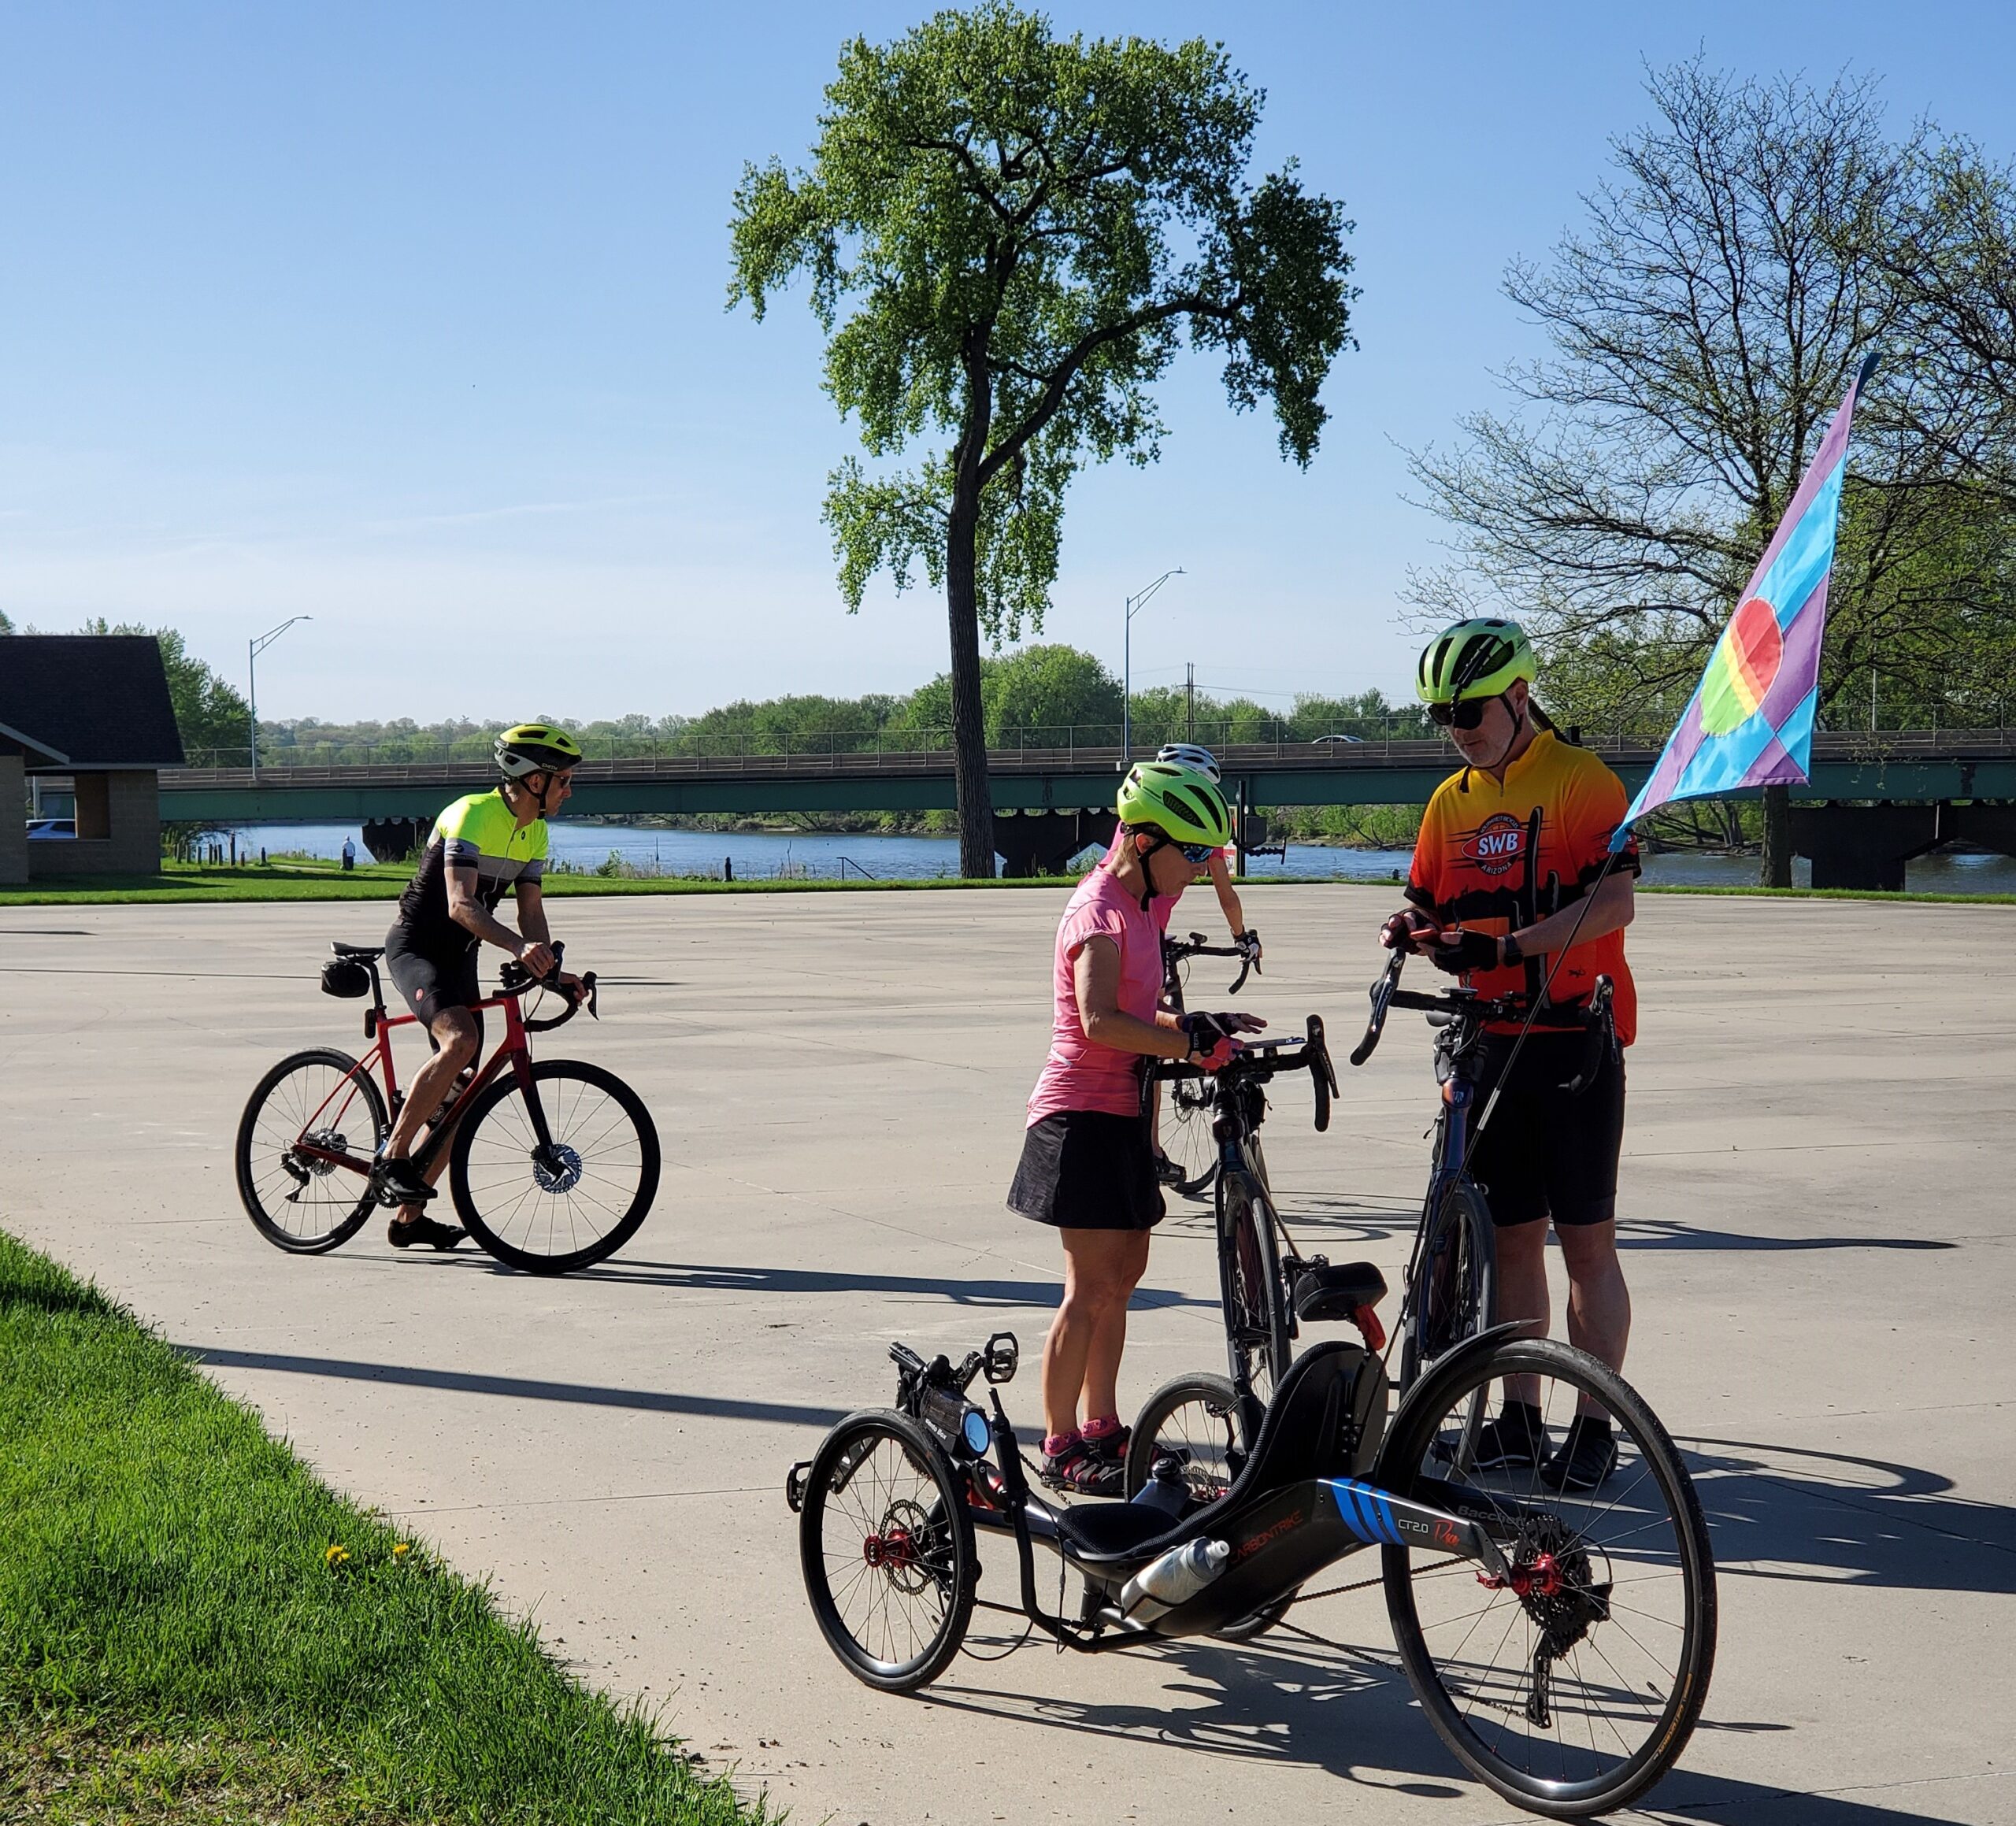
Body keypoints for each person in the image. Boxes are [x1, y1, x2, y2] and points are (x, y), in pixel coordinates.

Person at [1380, 617, 1640, 1491]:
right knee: (1514, 1244)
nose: (1454, 724)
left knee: (1585, 1244)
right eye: (1438, 713)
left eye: (1466, 708)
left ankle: (1596, 1425)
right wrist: (1411, 931)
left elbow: (1612, 907)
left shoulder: (1582, 780)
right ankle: (1520, 1419)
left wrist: (1510, 948)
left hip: (1572, 1045)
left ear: (1520, 694)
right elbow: (1428, 907)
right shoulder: (1449, 800)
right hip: (1489, 1044)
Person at [1011, 760, 1262, 1495]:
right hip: (1077, 1118)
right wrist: (1187, 1045)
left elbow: (1138, 1015)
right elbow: (1097, 1020)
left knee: (1122, 1282)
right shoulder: (1099, 912)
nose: (1198, 871)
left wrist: (1192, 1022)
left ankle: (1104, 1427)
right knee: (1089, 1288)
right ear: (1144, 840)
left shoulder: (1144, 906)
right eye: (1191, 854)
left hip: (1123, 1115)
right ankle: (1060, 1444)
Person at [371, 724, 589, 1248]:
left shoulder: (535, 830)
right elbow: (460, 905)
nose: (569, 790)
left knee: (466, 1094)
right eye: (563, 780)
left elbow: (530, 909)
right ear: (533, 779)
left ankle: (409, 1215)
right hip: (418, 948)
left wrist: (555, 971)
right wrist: (518, 949)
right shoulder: (471, 814)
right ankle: (393, 1155)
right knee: (461, 1041)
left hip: (462, 958)